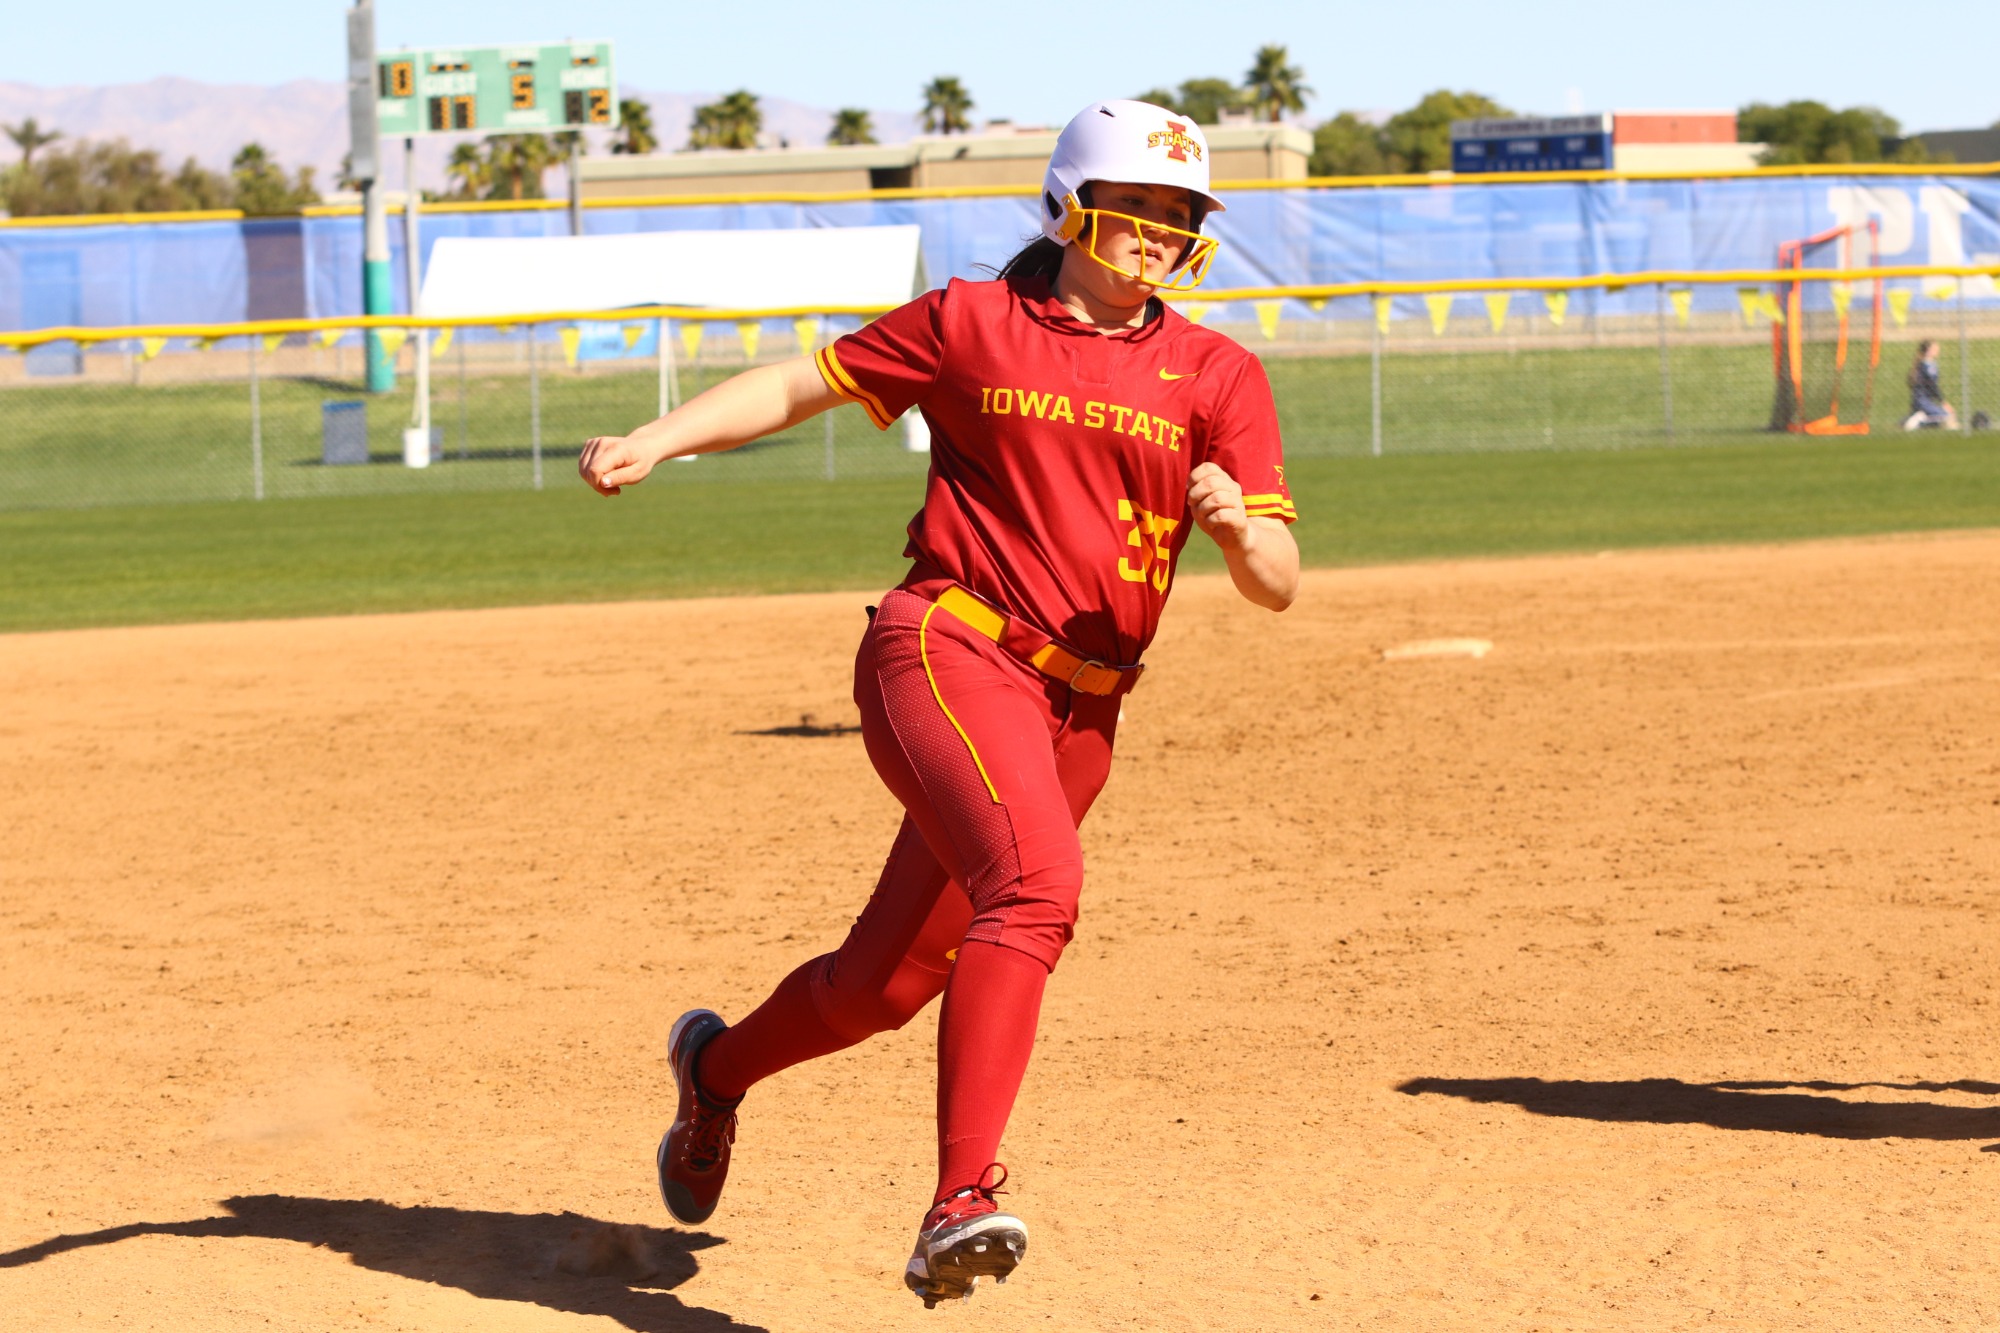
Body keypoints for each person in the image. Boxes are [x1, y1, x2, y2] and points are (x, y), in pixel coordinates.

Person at [576, 99, 1299, 1307]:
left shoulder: (1217, 372)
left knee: (884, 986)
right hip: (949, 648)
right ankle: (960, 1198)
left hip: (1081, 716)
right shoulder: (971, 322)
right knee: (1034, 890)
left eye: (1178, 212)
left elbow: (1277, 582)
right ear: (1070, 208)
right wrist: (661, 438)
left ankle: (714, 1073)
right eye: (1134, 206)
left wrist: (1236, 535)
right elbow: (800, 385)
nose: (1158, 231)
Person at [1903, 340, 1958, 430]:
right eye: (1935, 348)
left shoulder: (1926, 364)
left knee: (1948, 417)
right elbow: (1933, 386)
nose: (1938, 350)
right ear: (1928, 350)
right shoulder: (1928, 366)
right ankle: (1920, 420)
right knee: (1947, 417)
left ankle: (1916, 416)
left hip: (1923, 402)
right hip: (1923, 402)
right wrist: (1943, 403)